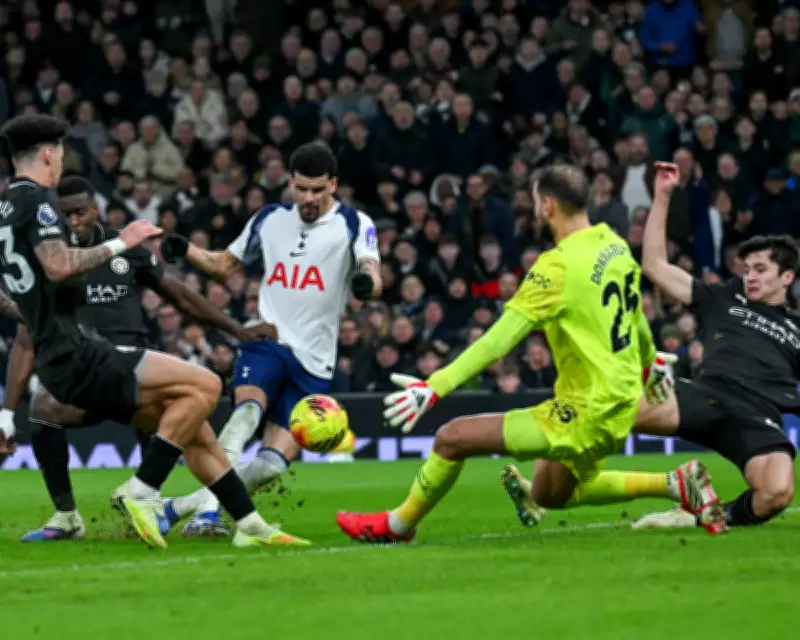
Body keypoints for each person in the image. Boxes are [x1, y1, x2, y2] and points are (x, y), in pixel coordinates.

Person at [335, 164, 724, 544]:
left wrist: (434, 387)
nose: (534, 210)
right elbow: (635, 314)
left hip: (586, 410)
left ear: (548, 205)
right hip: (621, 403)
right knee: (548, 494)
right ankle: (677, 483)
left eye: (536, 202)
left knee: (452, 437)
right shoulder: (615, 244)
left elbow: (497, 342)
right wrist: (649, 362)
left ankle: (397, 525)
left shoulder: (557, 266)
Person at [0, 113, 307, 549]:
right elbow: (58, 264)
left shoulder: (6, 211)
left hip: (64, 361)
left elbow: (27, 291)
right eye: (61, 153)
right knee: (206, 385)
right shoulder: (39, 201)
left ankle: (251, 525)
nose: (61, 161)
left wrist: (30, 317)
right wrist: (123, 241)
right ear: (49, 154)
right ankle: (141, 491)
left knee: (197, 431)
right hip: (84, 356)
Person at [158, 142, 382, 536]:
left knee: (270, 466)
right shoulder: (270, 218)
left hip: (314, 359)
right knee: (246, 414)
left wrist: (366, 284)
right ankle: (208, 516)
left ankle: (176, 508)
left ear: (333, 184)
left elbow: (371, 268)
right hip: (268, 340)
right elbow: (224, 265)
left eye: (317, 190)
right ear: (290, 183)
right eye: (301, 188)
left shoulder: (353, 222)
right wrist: (186, 249)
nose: (308, 198)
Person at [630, 162, 797, 531]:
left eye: (760, 270)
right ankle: (558, 473)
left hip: (758, 415)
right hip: (708, 394)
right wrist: (663, 196)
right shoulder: (723, 297)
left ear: (786, 277)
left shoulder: (797, 329)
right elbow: (655, 265)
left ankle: (701, 515)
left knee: (777, 492)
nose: (750, 277)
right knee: (620, 410)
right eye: (746, 269)